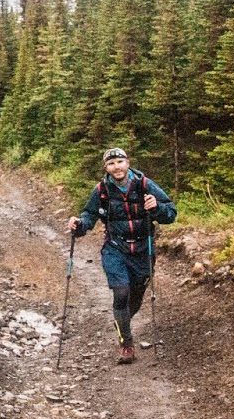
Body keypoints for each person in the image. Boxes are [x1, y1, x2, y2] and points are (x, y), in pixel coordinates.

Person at [66, 147, 176, 364]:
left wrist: (156, 208)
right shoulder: (102, 190)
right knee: (121, 292)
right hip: (115, 248)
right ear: (106, 168)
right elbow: (88, 216)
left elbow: (170, 213)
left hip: (143, 249)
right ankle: (126, 344)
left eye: (119, 162)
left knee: (136, 295)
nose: (116, 167)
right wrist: (78, 225)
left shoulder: (144, 184)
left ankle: (121, 321)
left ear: (127, 163)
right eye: (111, 164)